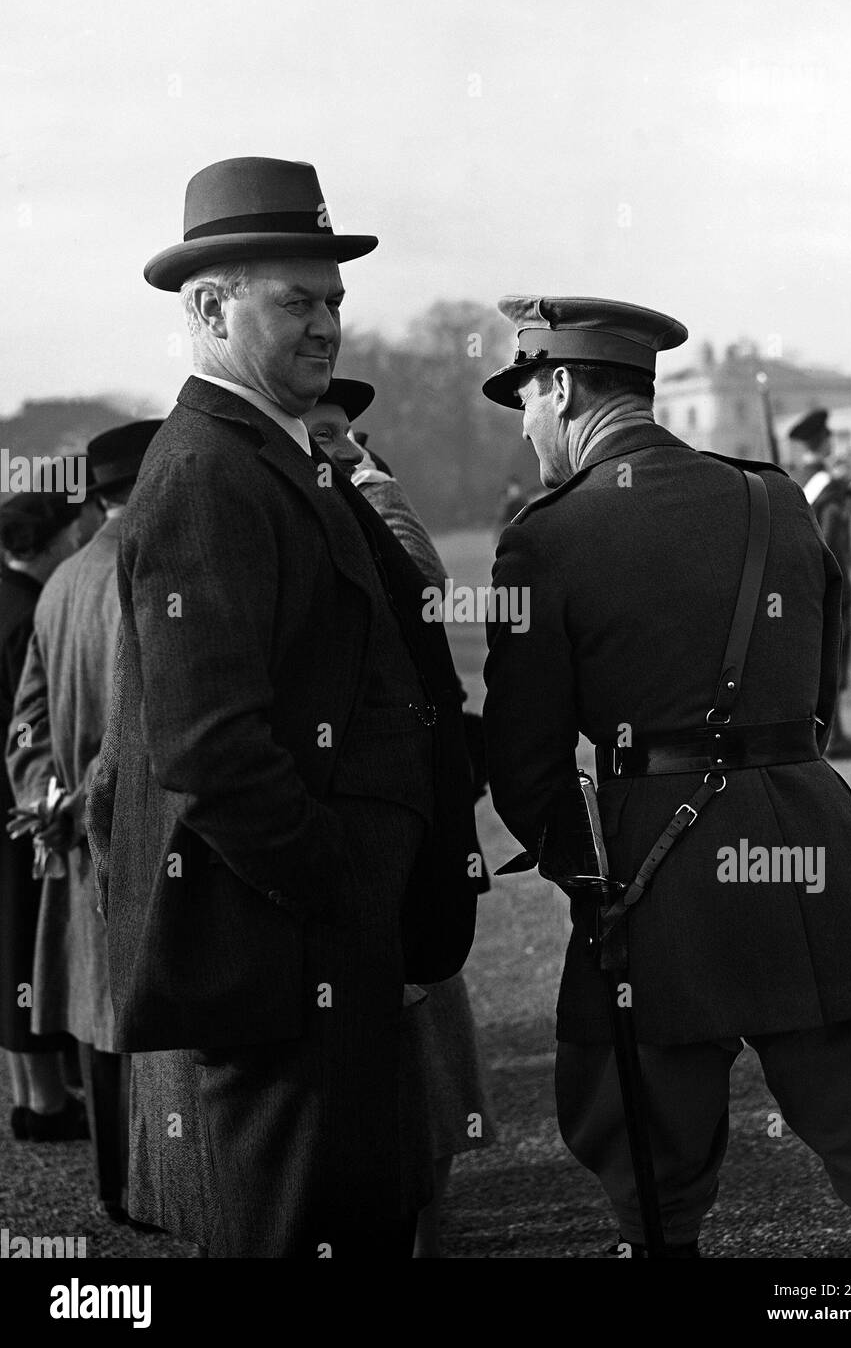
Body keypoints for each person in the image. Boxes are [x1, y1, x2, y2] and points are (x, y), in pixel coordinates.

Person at [481, 294, 851, 1258]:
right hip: (812, 839)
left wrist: (590, 879)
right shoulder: (773, 496)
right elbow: (818, 694)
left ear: (562, 388)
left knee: (653, 1177)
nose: (528, 428)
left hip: (652, 873)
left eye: (526, 400)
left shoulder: (544, 538)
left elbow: (524, 762)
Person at [85, 156, 480, 1258]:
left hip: (314, 962)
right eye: (298, 301)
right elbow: (211, 752)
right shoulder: (210, 468)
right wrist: (346, 895)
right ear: (210, 309)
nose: (327, 326)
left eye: (336, 302)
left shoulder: (271, 457)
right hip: (279, 970)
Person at [306, 379, 499, 1257]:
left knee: (425, 1009)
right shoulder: (259, 497)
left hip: (404, 814)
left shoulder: (367, 495)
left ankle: (429, 1218)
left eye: (337, 429)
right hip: (331, 805)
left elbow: (423, 593)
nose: (327, 441)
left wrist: (368, 484)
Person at [7, 421, 162, 1220]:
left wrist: (46, 800)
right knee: (150, 1023)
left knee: (101, 1027)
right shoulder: (153, 569)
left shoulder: (61, 581)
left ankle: (117, 1188)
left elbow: (25, 725)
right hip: (138, 836)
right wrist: (87, 796)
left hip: (72, 838)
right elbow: (146, 720)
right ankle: (156, 1191)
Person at [0, 491, 89, 1140]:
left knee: (6, 950)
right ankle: (50, 1103)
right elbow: (35, 720)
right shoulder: (28, 612)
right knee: (26, 945)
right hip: (21, 806)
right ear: (54, 540)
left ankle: (33, 1097)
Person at [788, 408, 851, 758]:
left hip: (800, 582)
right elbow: (832, 540)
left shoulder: (793, 478)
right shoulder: (829, 486)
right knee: (835, 655)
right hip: (830, 582)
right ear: (823, 441)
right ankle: (834, 737)